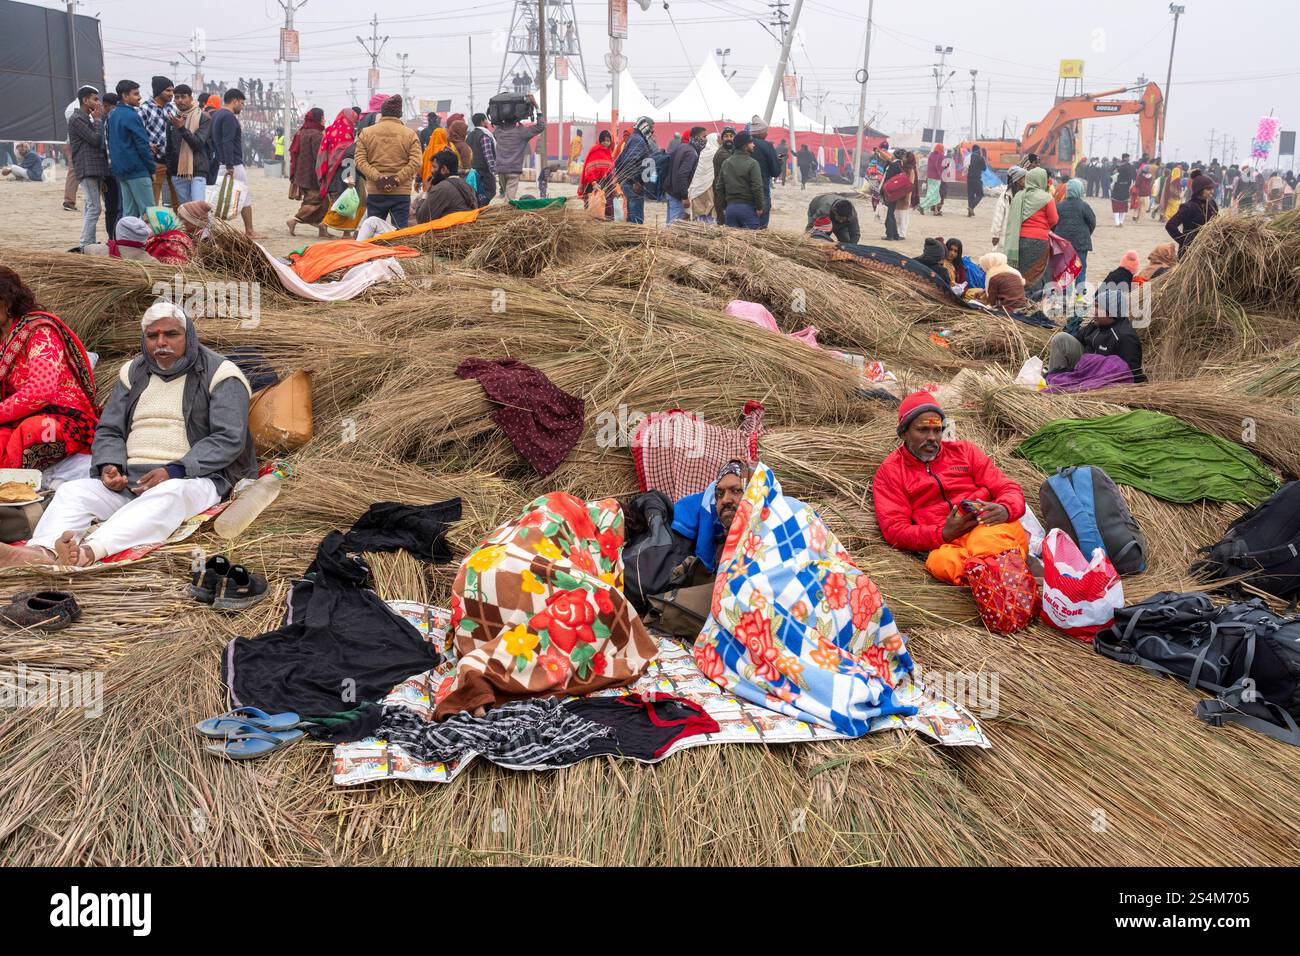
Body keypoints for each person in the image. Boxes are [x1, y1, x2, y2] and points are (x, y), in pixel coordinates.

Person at [0, 303, 255, 569]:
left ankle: (88, 552)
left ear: (188, 336)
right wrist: (110, 465)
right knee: (73, 492)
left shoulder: (221, 374)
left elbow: (229, 438)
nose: (161, 343)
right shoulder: (133, 372)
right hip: (132, 479)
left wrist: (174, 470)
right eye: (152, 336)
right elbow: (109, 429)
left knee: (169, 495)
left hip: (195, 477)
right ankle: (41, 553)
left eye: (171, 334)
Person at [873, 392, 1028, 586]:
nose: (932, 438)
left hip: (985, 527)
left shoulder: (965, 452)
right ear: (904, 432)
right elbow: (895, 530)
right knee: (940, 563)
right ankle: (1001, 573)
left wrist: (1005, 509)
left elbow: (1007, 487)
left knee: (986, 540)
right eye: (922, 430)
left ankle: (991, 575)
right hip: (945, 543)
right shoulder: (890, 472)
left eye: (937, 430)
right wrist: (943, 534)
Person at [0, 267, 98, 470]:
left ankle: (14, 489)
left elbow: (40, 390)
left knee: (34, 431)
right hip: (17, 418)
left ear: (7, 302)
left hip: (65, 418)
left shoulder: (39, 331)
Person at [670, 459, 751, 575]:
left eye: (736, 490)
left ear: (752, 493)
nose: (725, 500)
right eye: (720, 494)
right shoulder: (706, 515)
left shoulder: (769, 527)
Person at [355, 95, 422, 229]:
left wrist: (379, 178)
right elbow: (416, 162)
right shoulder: (410, 134)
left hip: (376, 190)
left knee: (374, 230)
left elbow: (360, 161)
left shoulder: (366, 133)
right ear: (400, 114)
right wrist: (396, 179)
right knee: (399, 232)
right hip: (401, 191)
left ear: (382, 113)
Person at [1004, 167, 1057, 299]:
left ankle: (1019, 298)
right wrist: (1043, 227)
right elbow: (1054, 219)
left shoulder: (1019, 195)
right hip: (1040, 240)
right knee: (1037, 271)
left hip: (1019, 239)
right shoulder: (1047, 197)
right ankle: (1033, 300)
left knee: (1021, 269)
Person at [211, 89, 257, 238]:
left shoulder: (217, 114)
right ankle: (249, 230)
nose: (242, 107)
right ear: (235, 100)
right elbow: (228, 141)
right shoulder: (229, 117)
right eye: (242, 103)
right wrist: (230, 165)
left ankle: (209, 230)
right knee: (245, 196)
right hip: (232, 164)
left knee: (215, 196)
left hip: (219, 162)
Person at [106, 81, 155, 219]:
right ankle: (151, 241)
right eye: (136, 94)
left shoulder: (113, 115)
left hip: (121, 171)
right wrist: (151, 168)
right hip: (137, 170)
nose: (139, 97)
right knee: (149, 213)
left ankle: (125, 240)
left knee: (129, 214)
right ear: (125, 96)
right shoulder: (132, 116)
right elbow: (142, 145)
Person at [68, 86, 108, 248]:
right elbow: (95, 140)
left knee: (90, 206)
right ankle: (86, 242)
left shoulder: (86, 118)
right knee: (94, 207)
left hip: (94, 168)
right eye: (95, 99)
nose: (98, 103)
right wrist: (98, 120)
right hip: (86, 168)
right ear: (85, 100)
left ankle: (88, 240)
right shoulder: (77, 119)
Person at [163, 85, 211, 208]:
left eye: (183, 97)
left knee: (198, 208)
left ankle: (204, 228)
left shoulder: (203, 118)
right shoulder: (172, 120)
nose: (179, 100)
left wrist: (182, 128)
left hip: (198, 170)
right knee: (186, 210)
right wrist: (170, 168)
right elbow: (169, 147)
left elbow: (198, 143)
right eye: (177, 97)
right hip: (177, 172)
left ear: (191, 98)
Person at [491, 94, 546, 201]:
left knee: (505, 196)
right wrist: (536, 106)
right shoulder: (522, 132)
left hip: (500, 169)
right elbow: (541, 126)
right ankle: (506, 215)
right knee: (509, 200)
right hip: (513, 170)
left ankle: (502, 212)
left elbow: (498, 123)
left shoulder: (498, 131)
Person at [285, 107, 326, 236]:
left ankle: (322, 229)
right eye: (323, 117)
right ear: (318, 119)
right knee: (315, 201)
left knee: (320, 201)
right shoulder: (316, 135)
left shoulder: (301, 132)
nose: (324, 120)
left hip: (301, 173)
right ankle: (295, 220)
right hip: (312, 174)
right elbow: (319, 156)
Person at [317, 108, 359, 233]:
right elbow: (348, 156)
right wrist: (351, 175)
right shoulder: (347, 131)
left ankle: (325, 226)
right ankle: (344, 231)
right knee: (348, 200)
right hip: (344, 170)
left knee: (336, 199)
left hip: (330, 170)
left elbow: (324, 150)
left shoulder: (329, 130)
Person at [415, 148, 477, 223]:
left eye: (434, 167)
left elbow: (422, 218)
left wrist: (426, 192)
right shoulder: (467, 185)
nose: (431, 171)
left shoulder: (442, 188)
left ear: (444, 169)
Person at [1054, 177, 1096, 286]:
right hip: (1081, 243)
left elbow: (1053, 223)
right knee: (1081, 267)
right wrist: (1086, 233)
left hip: (1063, 243)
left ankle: (1065, 295)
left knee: (1065, 268)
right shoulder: (1084, 206)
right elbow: (1092, 222)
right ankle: (1080, 295)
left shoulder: (1059, 206)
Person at [612, 116, 655, 224]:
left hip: (630, 182)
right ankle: (633, 239)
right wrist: (635, 181)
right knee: (635, 218)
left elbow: (620, 160)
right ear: (645, 127)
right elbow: (631, 161)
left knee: (632, 215)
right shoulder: (638, 140)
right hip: (633, 184)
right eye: (651, 127)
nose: (652, 131)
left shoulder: (636, 138)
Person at [718, 130, 764, 229]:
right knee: (750, 243)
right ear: (744, 146)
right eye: (751, 143)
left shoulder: (726, 162)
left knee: (731, 243)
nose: (754, 145)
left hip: (730, 209)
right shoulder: (753, 163)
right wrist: (760, 207)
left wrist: (724, 207)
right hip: (747, 209)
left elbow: (719, 187)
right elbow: (757, 187)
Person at [1166, 173, 1217, 254]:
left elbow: (1216, 221)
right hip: (1190, 253)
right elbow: (1170, 225)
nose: (1212, 192)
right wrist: (1184, 240)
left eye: (1212, 189)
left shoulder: (1212, 204)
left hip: (1208, 250)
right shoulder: (1188, 207)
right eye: (1208, 189)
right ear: (1199, 191)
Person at [665, 126, 705, 225]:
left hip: (671, 190)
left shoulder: (682, 147)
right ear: (696, 137)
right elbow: (682, 175)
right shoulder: (691, 153)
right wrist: (684, 196)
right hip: (677, 194)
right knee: (675, 225)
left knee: (670, 223)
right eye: (704, 137)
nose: (705, 140)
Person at [749, 116, 780, 228]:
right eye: (765, 131)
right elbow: (775, 172)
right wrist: (779, 162)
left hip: (741, 194)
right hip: (762, 191)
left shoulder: (740, 144)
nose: (767, 134)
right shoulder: (767, 146)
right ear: (761, 132)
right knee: (760, 229)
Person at [579, 129, 616, 218]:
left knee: (608, 205)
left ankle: (608, 224)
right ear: (600, 141)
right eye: (603, 140)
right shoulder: (595, 151)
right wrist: (594, 183)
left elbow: (610, 170)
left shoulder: (609, 153)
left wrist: (615, 186)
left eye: (608, 141)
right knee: (595, 206)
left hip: (607, 183)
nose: (606, 143)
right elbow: (590, 168)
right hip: (596, 184)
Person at [989, 165, 1025, 250]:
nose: (1026, 180)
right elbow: (998, 216)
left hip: (1021, 234)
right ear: (1018, 180)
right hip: (1005, 235)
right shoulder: (1005, 196)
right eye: (1024, 178)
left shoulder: (1026, 194)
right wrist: (995, 235)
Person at [466, 114, 498, 207]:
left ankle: (479, 207)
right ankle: (481, 208)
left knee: (477, 193)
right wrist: (493, 170)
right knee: (490, 191)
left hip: (472, 171)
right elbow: (488, 154)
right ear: (482, 122)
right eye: (486, 120)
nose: (487, 122)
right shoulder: (484, 135)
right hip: (484, 171)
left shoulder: (470, 135)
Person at [687, 131, 719, 223]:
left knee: (700, 216)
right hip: (709, 186)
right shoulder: (716, 152)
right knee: (710, 213)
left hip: (697, 187)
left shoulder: (703, 152)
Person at [875, 145, 903, 241]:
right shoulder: (899, 164)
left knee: (888, 214)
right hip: (895, 193)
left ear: (894, 155)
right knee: (891, 213)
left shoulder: (894, 166)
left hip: (889, 193)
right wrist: (879, 151)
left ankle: (889, 235)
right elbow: (886, 157)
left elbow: (887, 180)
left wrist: (882, 191)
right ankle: (895, 235)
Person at [711, 126, 735, 218]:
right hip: (722, 194)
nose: (729, 139)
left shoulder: (730, 151)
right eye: (726, 136)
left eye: (731, 136)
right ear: (722, 139)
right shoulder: (722, 154)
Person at [446, 114, 473, 179]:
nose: (466, 133)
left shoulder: (448, 143)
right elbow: (467, 168)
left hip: (450, 178)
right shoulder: (463, 146)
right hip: (462, 179)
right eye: (464, 131)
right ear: (460, 132)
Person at [1110, 153, 1135, 227]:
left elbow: (1112, 182)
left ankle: (1117, 223)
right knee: (1123, 207)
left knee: (1116, 207)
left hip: (1117, 190)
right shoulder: (1131, 167)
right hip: (1125, 190)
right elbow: (1132, 181)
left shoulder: (1117, 168)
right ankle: (1120, 222)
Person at [966, 144, 986, 216]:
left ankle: (970, 212)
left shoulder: (968, 157)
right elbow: (984, 168)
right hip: (977, 178)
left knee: (970, 195)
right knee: (980, 194)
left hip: (969, 178)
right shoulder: (980, 158)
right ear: (978, 150)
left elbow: (965, 167)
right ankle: (971, 207)